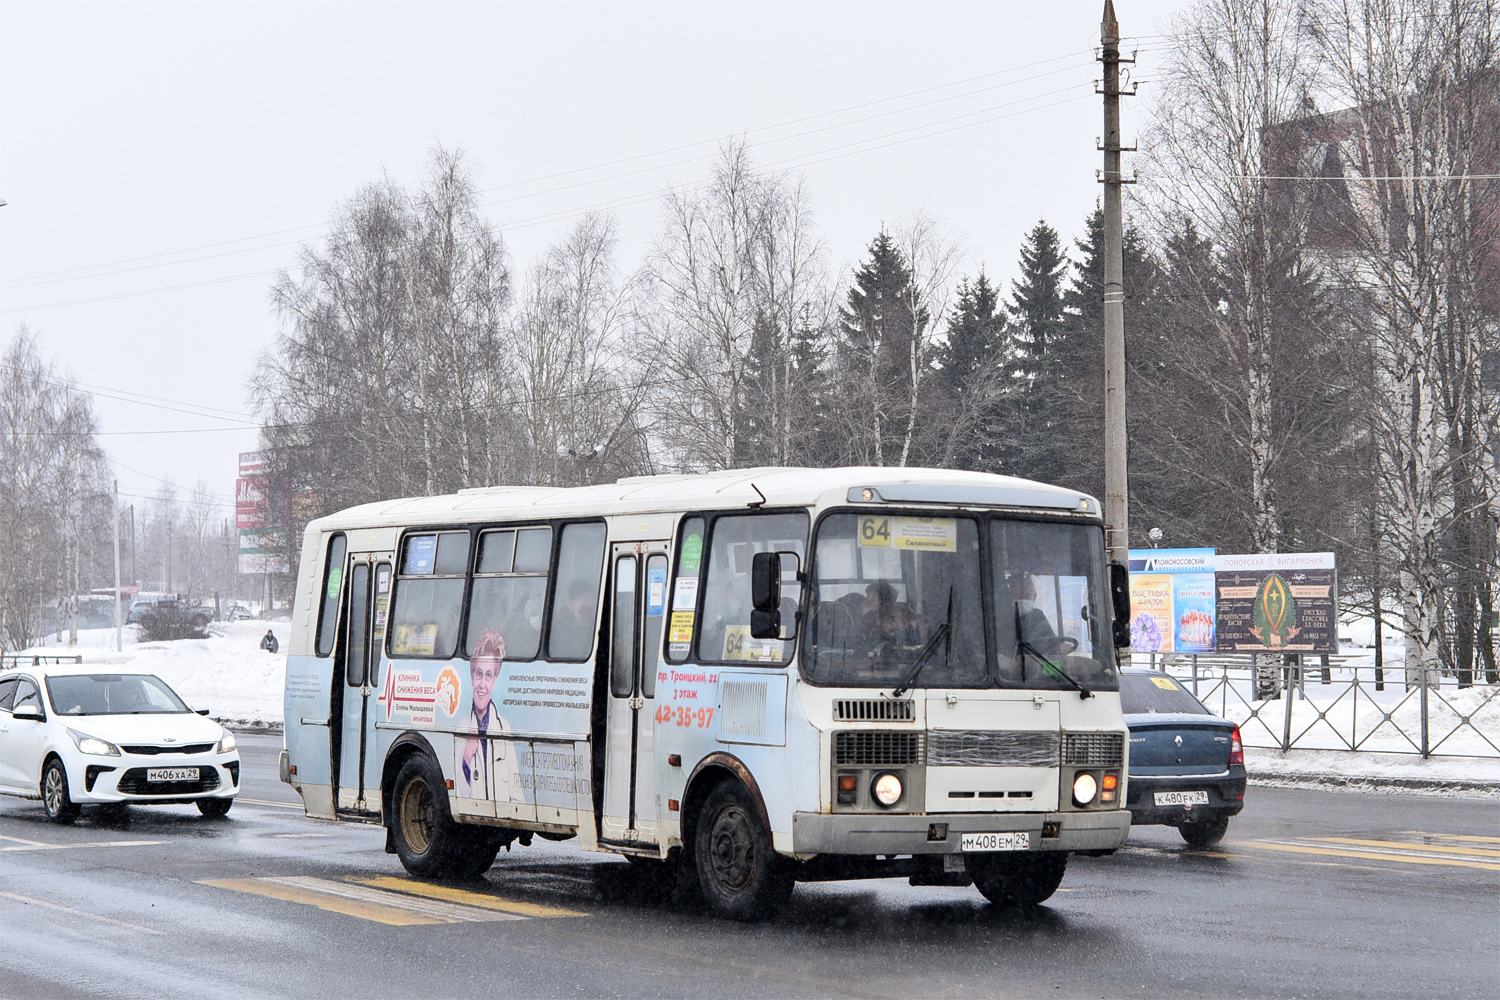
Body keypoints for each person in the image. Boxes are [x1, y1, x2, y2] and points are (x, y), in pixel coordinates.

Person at [460, 628, 524, 802]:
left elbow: (517, 797)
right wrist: (466, 756)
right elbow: (457, 796)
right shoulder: (460, 727)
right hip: (474, 822)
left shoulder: (504, 727)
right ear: (472, 676)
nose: (482, 684)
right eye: (479, 674)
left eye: (488, 676)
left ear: (495, 681)